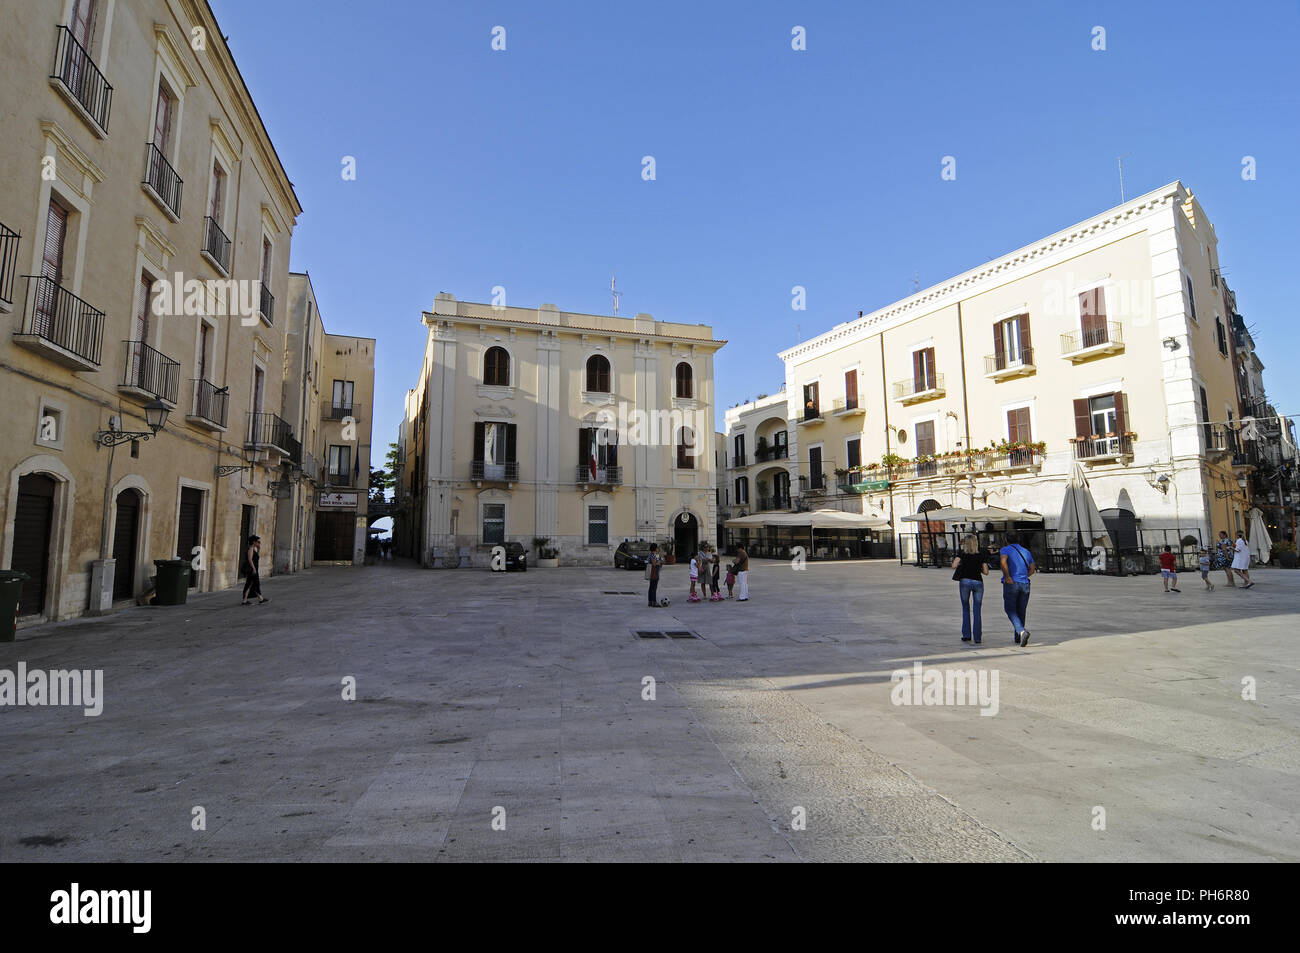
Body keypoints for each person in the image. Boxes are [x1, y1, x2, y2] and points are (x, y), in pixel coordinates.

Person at [998, 531, 1035, 645]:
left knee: (1010, 609)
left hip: (1012, 583)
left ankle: (1021, 631)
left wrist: (1008, 576)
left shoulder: (1005, 550)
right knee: (1021, 610)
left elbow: (1003, 562)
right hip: (1024, 583)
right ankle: (1018, 637)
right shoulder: (1026, 551)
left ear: (1006, 540)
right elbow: (1032, 569)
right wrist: (1023, 576)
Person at [951, 534, 989, 644]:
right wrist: (978, 568)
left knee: (965, 608)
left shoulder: (961, 554)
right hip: (978, 582)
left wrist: (962, 565)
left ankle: (966, 635)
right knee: (977, 610)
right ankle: (977, 637)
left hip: (965, 582)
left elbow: (954, 566)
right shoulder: (981, 554)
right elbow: (986, 572)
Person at [241, 535, 268, 605]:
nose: (259, 543)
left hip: (253, 570)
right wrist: (254, 569)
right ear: (254, 542)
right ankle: (258, 599)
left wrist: (258, 550)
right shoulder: (250, 549)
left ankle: (258, 599)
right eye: (258, 542)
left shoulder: (253, 549)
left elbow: (255, 558)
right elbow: (250, 560)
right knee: (252, 584)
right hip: (252, 570)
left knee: (252, 584)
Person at [646, 542, 662, 607]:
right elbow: (654, 564)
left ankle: (650, 601)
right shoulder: (653, 555)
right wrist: (659, 562)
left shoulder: (653, 555)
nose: (658, 549)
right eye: (657, 548)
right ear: (655, 548)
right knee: (653, 588)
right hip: (654, 573)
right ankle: (654, 602)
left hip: (654, 572)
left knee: (651, 587)